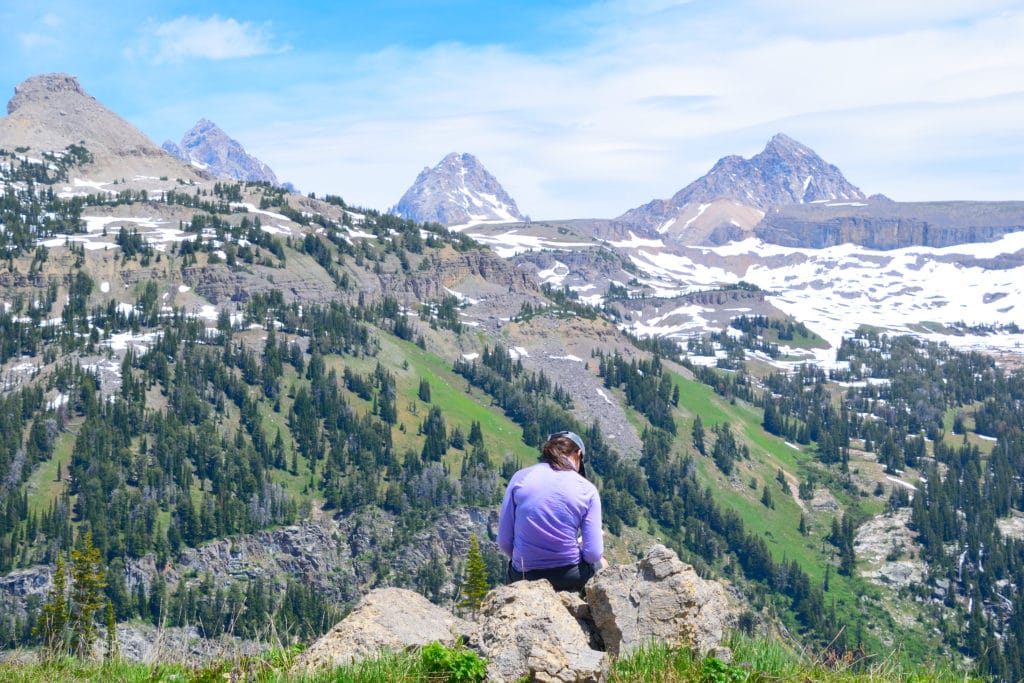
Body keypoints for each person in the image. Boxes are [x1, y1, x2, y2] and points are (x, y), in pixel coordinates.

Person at [497, 430, 607, 592]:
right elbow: (593, 553)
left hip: (522, 575)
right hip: (569, 577)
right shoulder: (587, 489)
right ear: (578, 454)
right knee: (603, 564)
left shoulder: (520, 478)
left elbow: (504, 541)